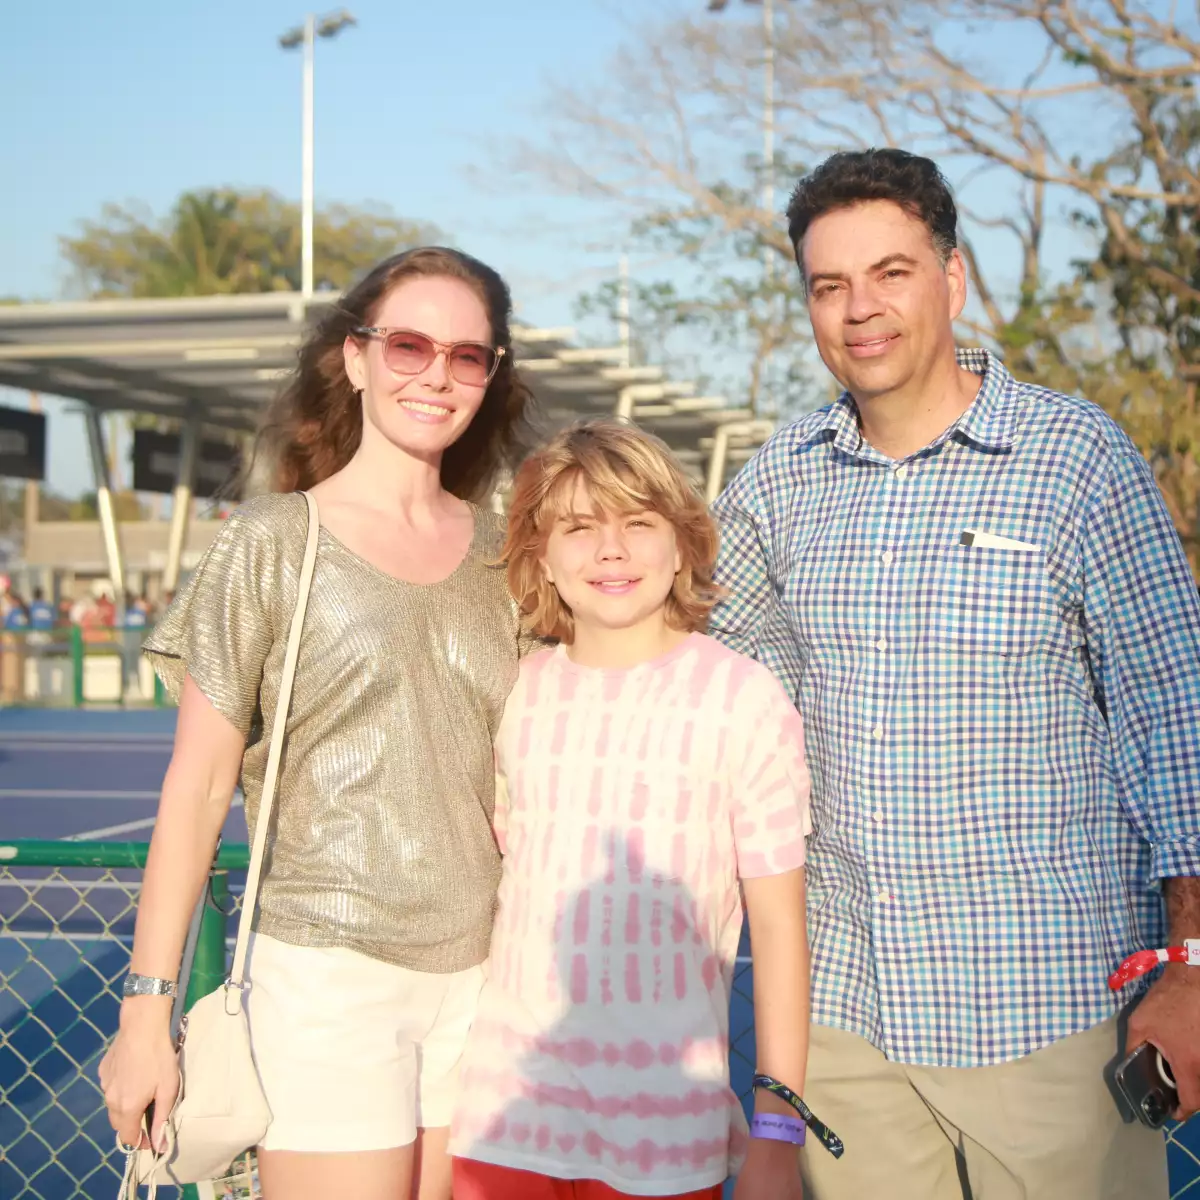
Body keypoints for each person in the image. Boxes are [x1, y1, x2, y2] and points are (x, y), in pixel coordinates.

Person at [710, 147, 1200, 1200]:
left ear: (952, 277)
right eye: (828, 284)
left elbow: (1177, 717)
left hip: (1052, 1014)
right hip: (845, 1013)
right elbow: (713, 697)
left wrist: (1194, 968)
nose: (859, 310)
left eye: (890, 272)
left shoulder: (1077, 460)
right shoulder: (775, 485)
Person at [98, 246, 535, 1200]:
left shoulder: (511, 555)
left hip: (488, 978)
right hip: (327, 975)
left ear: (492, 377)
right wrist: (146, 1010)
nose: (436, 373)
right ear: (355, 357)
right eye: (409, 343)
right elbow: (199, 785)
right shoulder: (273, 540)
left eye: (467, 355)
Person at [450, 420, 815, 1200]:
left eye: (638, 524)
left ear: (681, 544)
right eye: (579, 529)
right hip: (503, 1116)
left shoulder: (742, 699)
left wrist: (779, 1134)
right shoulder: (519, 692)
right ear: (541, 554)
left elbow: (780, 930)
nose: (610, 552)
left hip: (665, 1131)